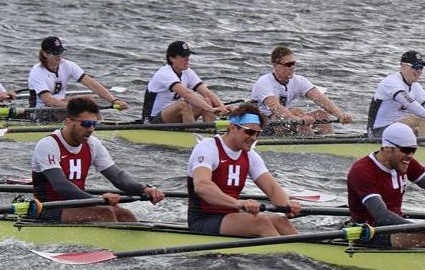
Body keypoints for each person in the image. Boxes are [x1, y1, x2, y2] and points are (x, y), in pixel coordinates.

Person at [29, 96, 166, 221]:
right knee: (104, 213)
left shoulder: (92, 144)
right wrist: (97, 200)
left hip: (78, 204)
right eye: (87, 124)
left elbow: (118, 177)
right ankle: (111, 247)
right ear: (69, 122)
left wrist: (145, 189)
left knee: (126, 215)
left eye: (94, 124)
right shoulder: (48, 144)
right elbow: (61, 185)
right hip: (48, 209)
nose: (91, 129)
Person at [185, 105, 302, 236]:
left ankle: (304, 253)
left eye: (258, 134)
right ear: (233, 128)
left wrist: (287, 205)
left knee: (281, 221)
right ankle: (286, 255)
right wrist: (238, 203)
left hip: (233, 216)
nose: (254, 138)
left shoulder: (249, 155)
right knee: (260, 222)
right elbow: (202, 186)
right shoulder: (207, 148)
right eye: (250, 132)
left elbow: (272, 189)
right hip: (204, 219)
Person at [250, 46, 351, 132]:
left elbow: (320, 99)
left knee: (321, 115)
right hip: (262, 125)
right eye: (288, 64)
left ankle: (330, 142)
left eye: (294, 63)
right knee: (298, 113)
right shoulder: (264, 82)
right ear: (276, 66)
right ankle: (311, 147)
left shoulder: (298, 80)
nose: (292, 67)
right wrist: (297, 119)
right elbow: (275, 108)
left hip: (283, 120)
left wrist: (340, 115)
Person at [368, 51, 425, 138]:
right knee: (419, 121)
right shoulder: (391, 82)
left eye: (421, 68)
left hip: (398, 128)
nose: (419, 71)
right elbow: (408, 103)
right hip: (377, 132)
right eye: (416, 67)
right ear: (403, 66)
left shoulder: (415, 86)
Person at [27, 36, 126, 112]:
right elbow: (48, 101)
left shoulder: (68, 65)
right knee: (84, 105)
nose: (59, 56)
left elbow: (92, 84)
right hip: (40, 113)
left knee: (89, 100)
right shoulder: (37, 71)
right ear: (45, 54)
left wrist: (114, 100)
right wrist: (76, 108)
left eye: (61, 52)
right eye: (55, 53)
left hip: (61, 108)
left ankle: (98, 128)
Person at [145, 40, 228, 124]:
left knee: (206, 101)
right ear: (171, 58)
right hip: (153, 120)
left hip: (175, 116)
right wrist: (211, 109)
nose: (187, 59)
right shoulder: (164, 73)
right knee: (183, 105)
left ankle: (213, 132)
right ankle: (193, 133)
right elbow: (187, 94)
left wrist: (222, 107)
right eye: (183, 56)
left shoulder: (187, 72)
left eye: (188, 55)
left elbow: (206, 92)